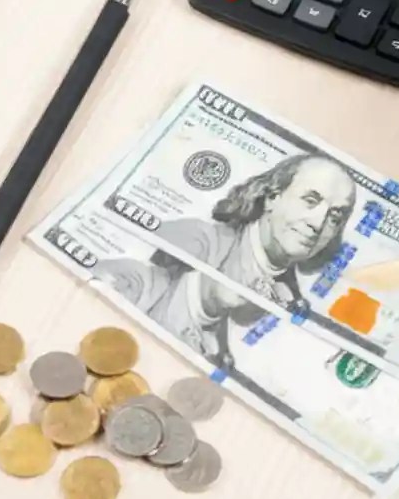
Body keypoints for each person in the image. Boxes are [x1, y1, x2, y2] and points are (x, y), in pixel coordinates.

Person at [95, 153, 357, 365]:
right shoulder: (196, 241)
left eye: (335, 217)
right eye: (310, 200)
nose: (318, 222)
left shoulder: (286, 296)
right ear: (272, 197)